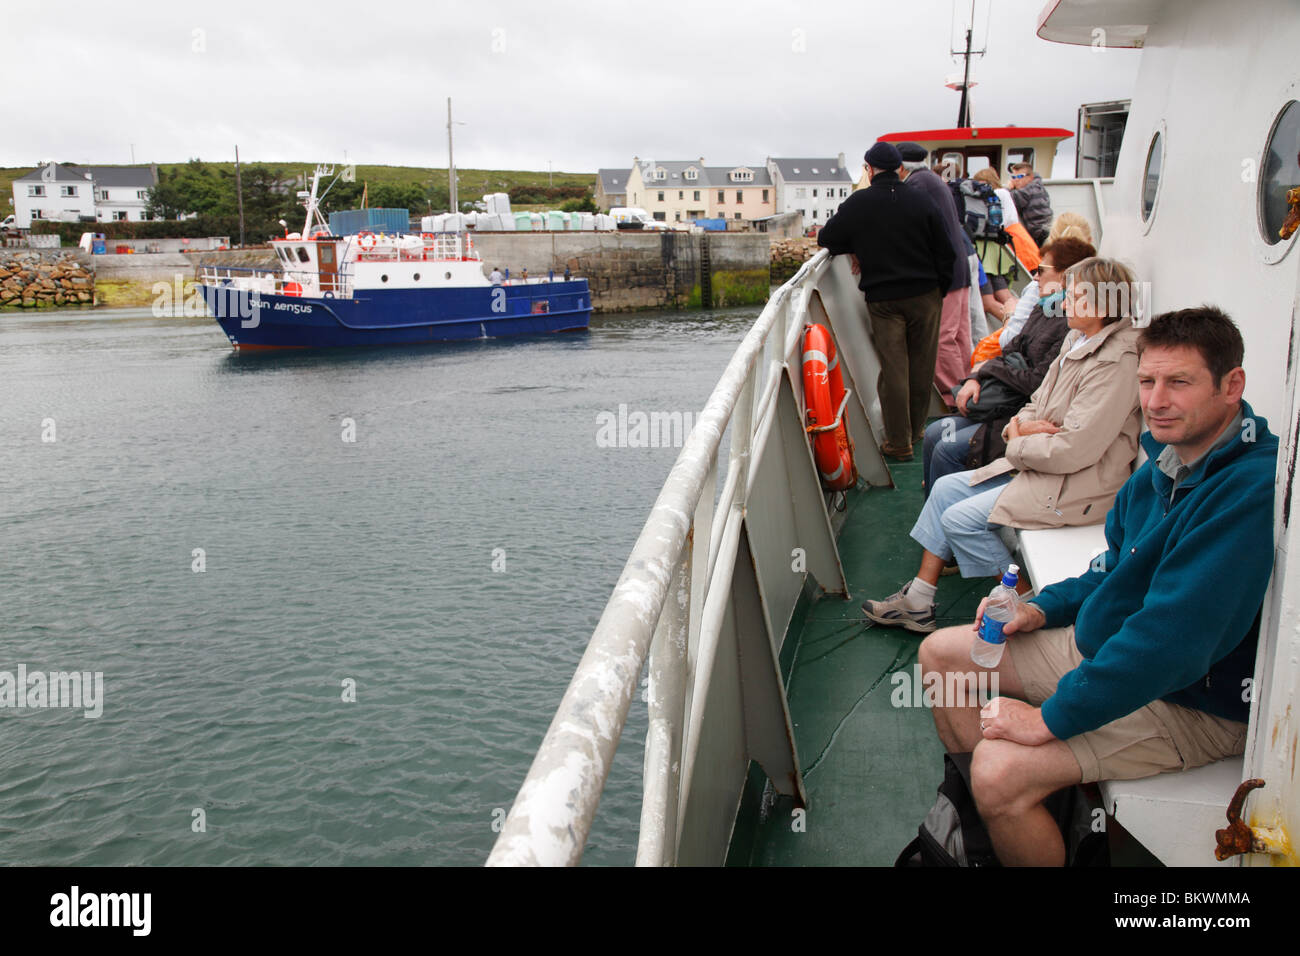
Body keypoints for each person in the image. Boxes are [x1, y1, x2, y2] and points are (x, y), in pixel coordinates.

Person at [916, 306, 1275, 866]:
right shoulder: (1166, 460)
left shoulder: (1247, 490)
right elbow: (1113, 568)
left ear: (1232, 386)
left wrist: (1046, 722)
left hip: (1189, 701)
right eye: (1147, 381)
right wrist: (1039, 610)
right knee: (943, 656)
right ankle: (993, 821)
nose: (1155, 401)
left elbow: (1170, 643)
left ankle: (1010, 797)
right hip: (1104, 649)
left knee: (1000, 770)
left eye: (1179, 382)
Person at [862, 257, 1143, 630]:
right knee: (946, 489)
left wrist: (1016, 443)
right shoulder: (1078, 339)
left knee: (960, 520)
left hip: (1080, 485)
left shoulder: (1114, 362)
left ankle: (1031, 609)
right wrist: (1021, 428)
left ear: (1103, 304)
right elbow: (1035, 404)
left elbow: (1075, 449)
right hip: (1044, 465)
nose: (1065, 304)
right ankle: (919, 600)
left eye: (1075, 297)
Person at [922, 236, 1096, 494]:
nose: (1035, 277)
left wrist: (987, 370)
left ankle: (945, 514)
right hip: (999, 400)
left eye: (1041, 271)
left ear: (1065, 277)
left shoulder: (1067, 325)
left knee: (946, 448)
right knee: (935, 432)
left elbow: (1036, 381)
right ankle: (934, 510)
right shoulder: (1044, 308)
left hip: (1013, 410)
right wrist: (975, 379)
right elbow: (1013, 347)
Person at [818, 140, 956, 460]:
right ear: (900, 169)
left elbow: (828, 238)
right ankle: (917, 428)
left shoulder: (859, 203)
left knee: (894, 369)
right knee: (922, 366)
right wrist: (940, 290)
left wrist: (855, 246)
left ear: (869, 170)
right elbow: (945, 251)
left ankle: (898, 442)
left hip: (884, 299)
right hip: (926, 295)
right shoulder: (922, 200)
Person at [896, 142, 975, 408]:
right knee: (960, 335)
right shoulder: (933, 181)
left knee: (942, 337)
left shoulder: (917, 186)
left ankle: (955, 399)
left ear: (900, 167)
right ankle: (969, 387)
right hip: (959, 268)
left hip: (946, 273)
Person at [1006, 162, 1055, 247]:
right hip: (1045, 229)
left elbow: (1009, 200)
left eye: (1020, 176)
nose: (1016, 180)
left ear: (1030, 177)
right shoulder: (1038, 186)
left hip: (1041, 233)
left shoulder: (1029, 190)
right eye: (1013, 177)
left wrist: (1009, 189)